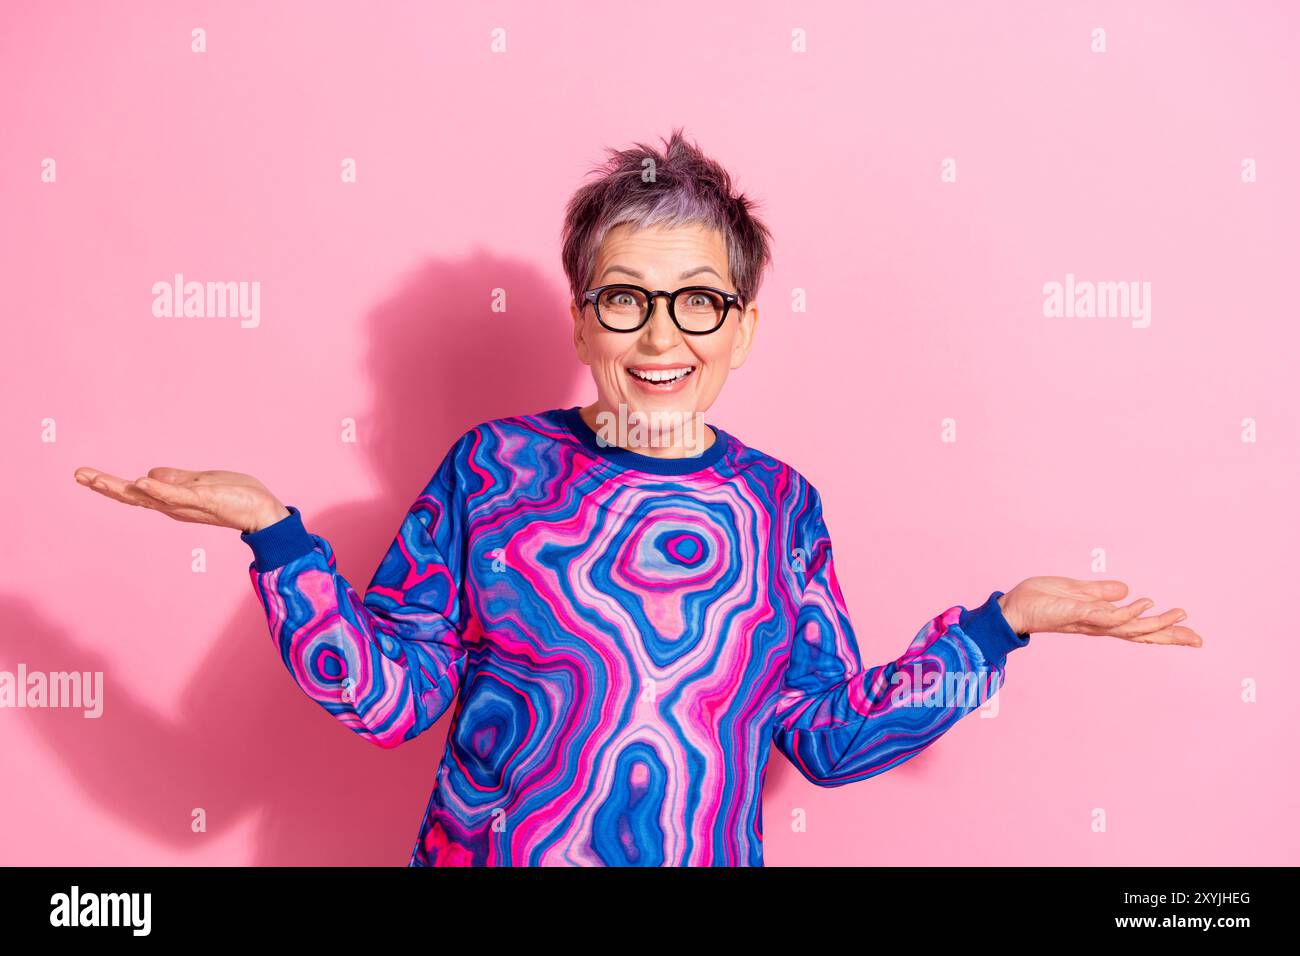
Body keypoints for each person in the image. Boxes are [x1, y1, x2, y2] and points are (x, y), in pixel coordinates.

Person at [73, 128, 1203, 866]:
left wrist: (998, 626)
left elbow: (825, 732)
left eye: (698, 301)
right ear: (578, 319)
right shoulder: (491, 470)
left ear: (743, 327)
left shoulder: (778, 508)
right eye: (624, 299)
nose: (661, 333)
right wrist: (279, 541)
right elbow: (394, 701)